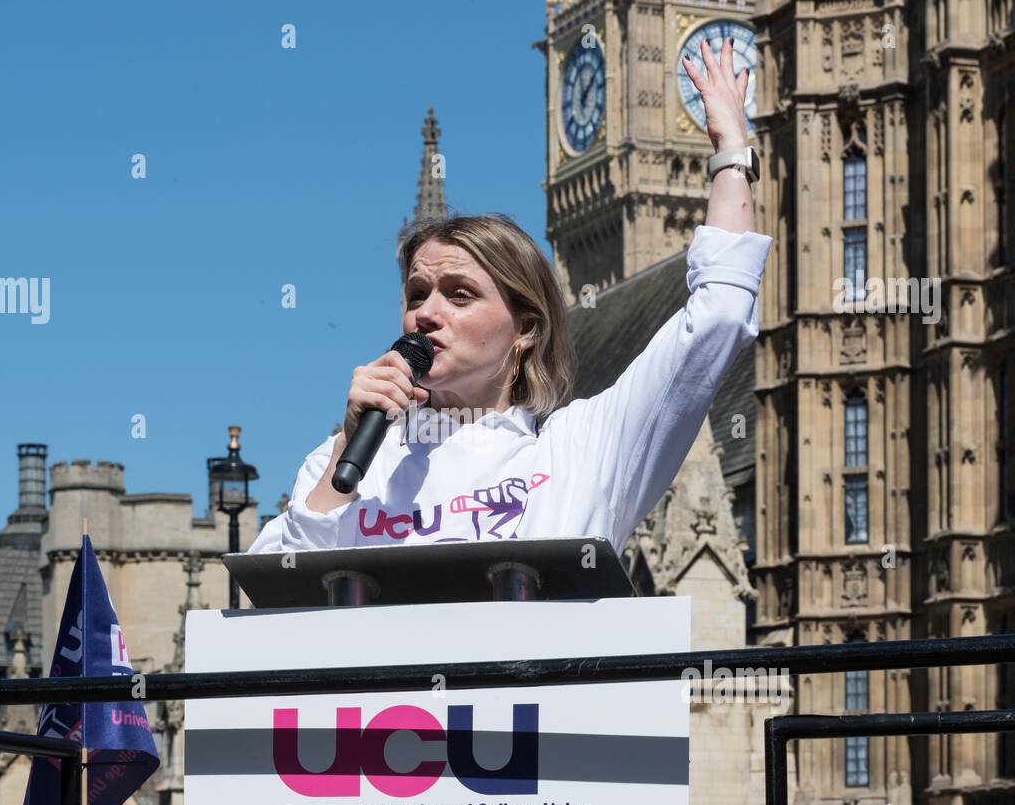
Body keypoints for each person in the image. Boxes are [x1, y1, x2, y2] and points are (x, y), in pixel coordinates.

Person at [251, 37, 772, 556]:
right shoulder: (343, 460)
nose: (426, 314)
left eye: (459, 295)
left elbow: (719, 314)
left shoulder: (578, 450)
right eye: (415, 295)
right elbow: (277, 592)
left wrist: (731, 152)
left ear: (526, 328)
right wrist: (347, 451)